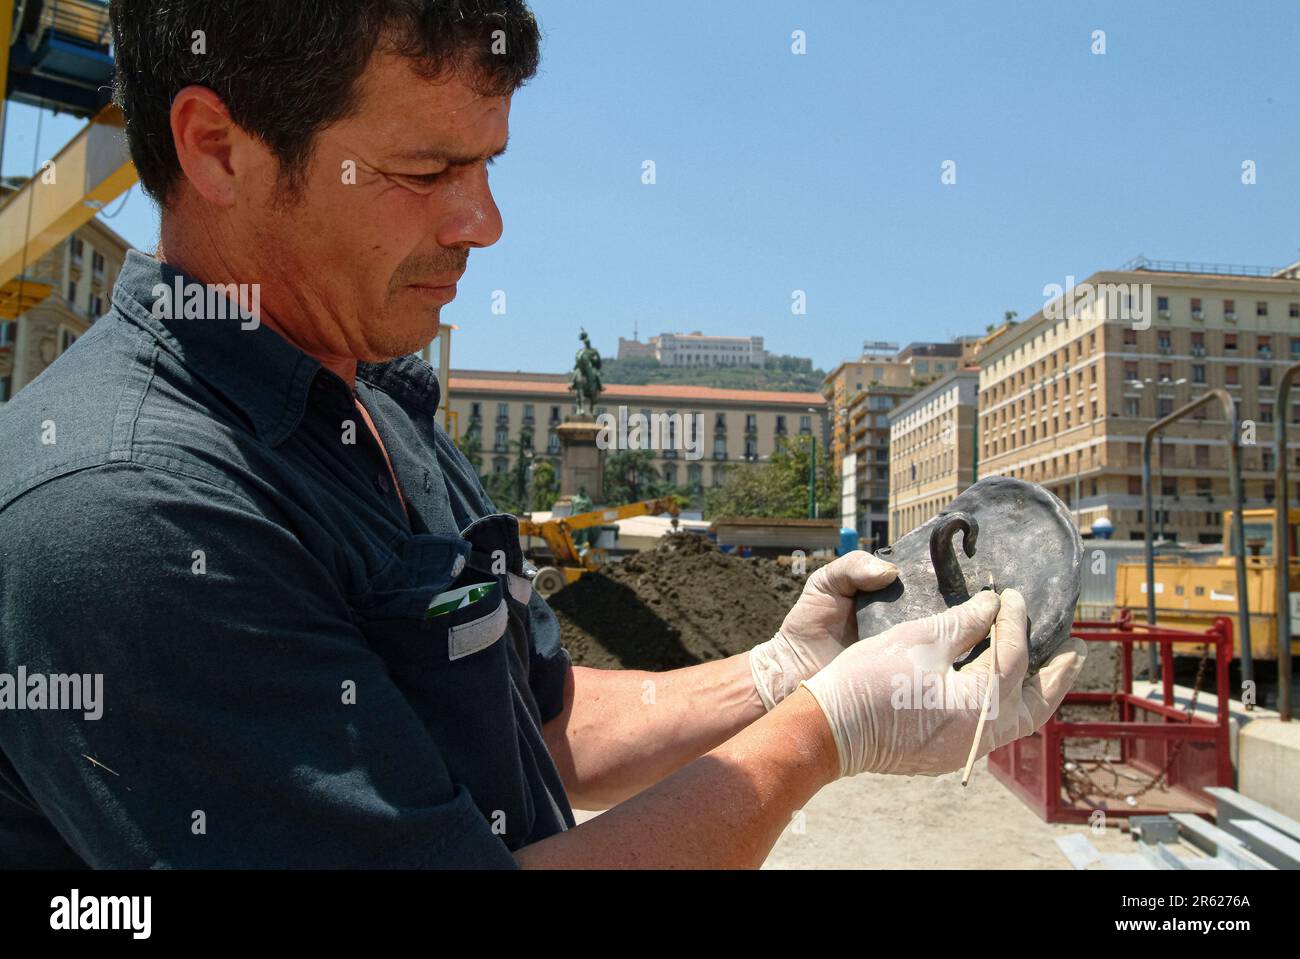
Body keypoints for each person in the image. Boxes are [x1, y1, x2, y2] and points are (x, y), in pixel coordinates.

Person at [0, 0, 1085, 869]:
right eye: (426, 172)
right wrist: (823, 736)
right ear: (218, 148)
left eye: (487, 165)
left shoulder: (374, 407)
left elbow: (542, 724)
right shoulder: (129, 513)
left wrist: (776, 674)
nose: (484, 221)